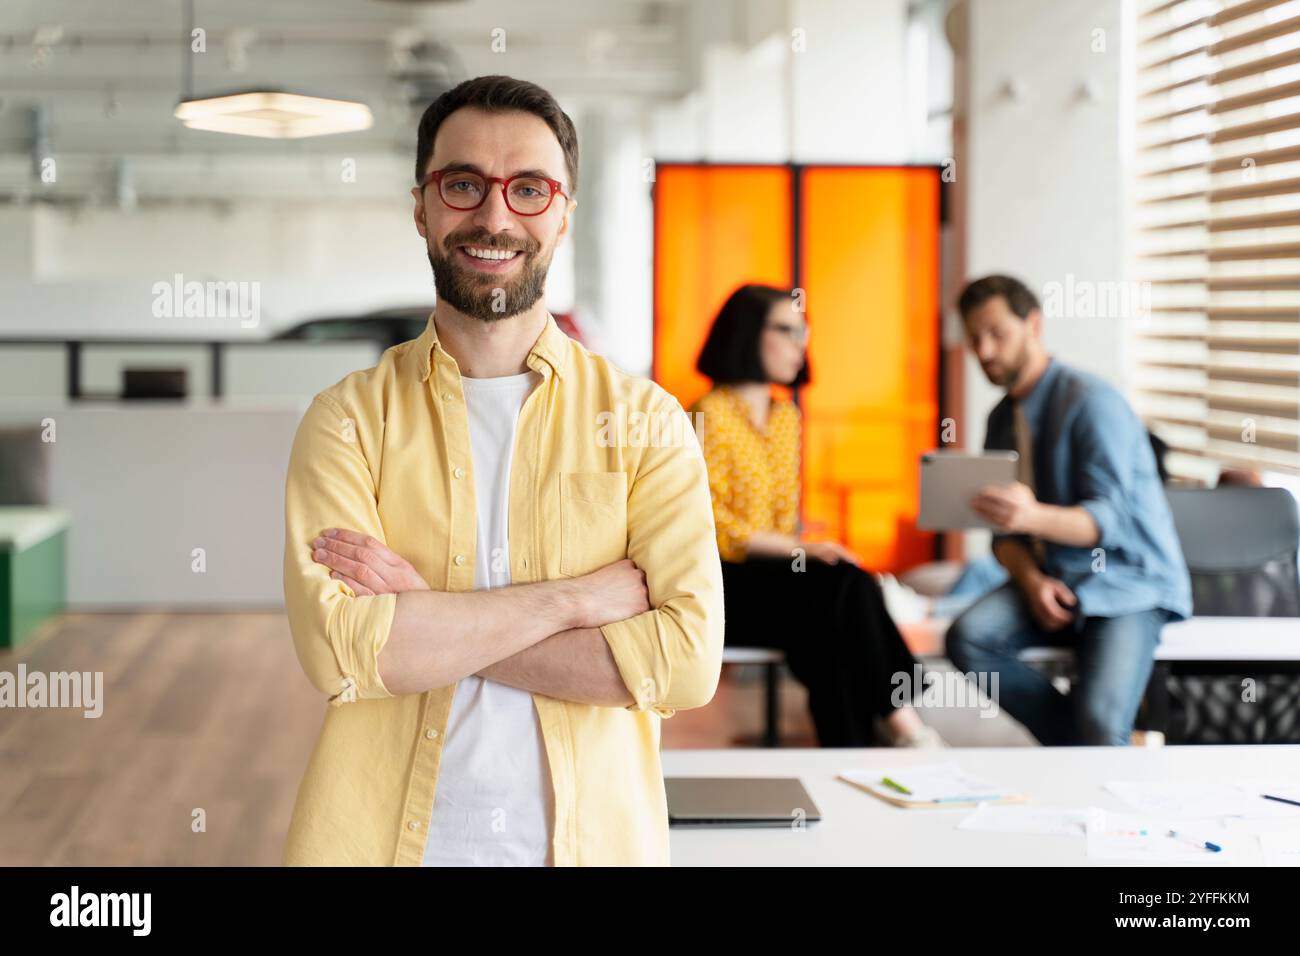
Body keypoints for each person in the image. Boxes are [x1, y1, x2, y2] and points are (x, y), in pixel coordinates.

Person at [281, 75, 724, 866]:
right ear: (421, 205)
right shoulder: (345, 420)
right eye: (462, 185)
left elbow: (685, 665)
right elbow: (344, 652)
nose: (493, 217)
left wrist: (426, 616)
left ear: (562, 213)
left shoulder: (646, 421)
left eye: (528, 189)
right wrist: (578, 601)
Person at [690, 284, 944, 748]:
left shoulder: (786, 418)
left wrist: (799, 549)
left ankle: (854, 746)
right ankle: (904, 723)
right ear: (748, 333)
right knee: (841, 585)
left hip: (779, 579)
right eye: (786, 330)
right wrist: (801, 549)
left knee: (830, 619)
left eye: (803, 331)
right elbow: (711, 529)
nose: (800, 344)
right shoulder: (706, 415)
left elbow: (785, 519)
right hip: (722, 581)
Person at [944, 274, 1192, 746]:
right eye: (975, 338)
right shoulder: (1001, 419)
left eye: (997, 333)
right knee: (969, 638)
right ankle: (1082, 747)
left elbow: (1111, 520)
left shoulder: (1091, 402)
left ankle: (1093, 744)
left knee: (1101, 719)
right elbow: (1005, 537)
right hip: (1056, 577)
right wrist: (1031, 580)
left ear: (1033, 325)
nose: (985, 351)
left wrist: (1031, 517)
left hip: (1127, 582)